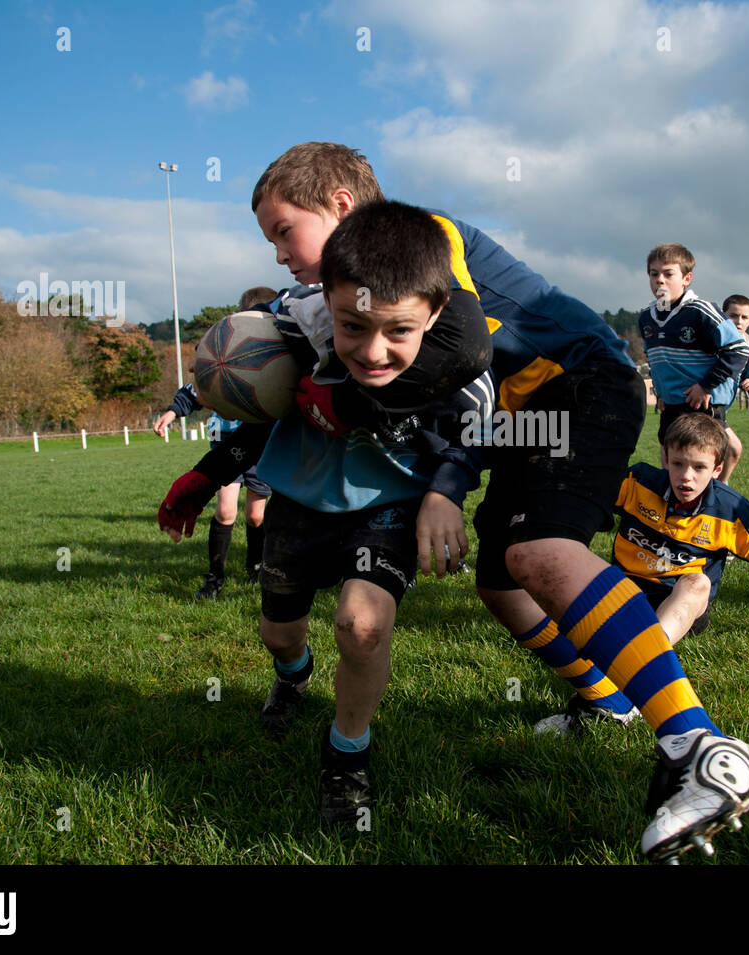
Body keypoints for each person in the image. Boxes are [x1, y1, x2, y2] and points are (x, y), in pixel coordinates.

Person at [193, 142, 749, 862]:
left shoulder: (428, 238)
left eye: (284, 229)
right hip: (515, 414)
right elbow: (458, 394)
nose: (281, 253)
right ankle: (608, 698)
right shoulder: (350, 295)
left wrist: (412, 460)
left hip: (579, 384)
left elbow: (462, 345)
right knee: (501, 581)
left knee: (537, 552)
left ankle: (700, 748)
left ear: (340, 206)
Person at [167, 201, 494, 824]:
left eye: (399, 331)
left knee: (361, 626)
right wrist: (207, 475)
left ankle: (346, 757)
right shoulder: (295, 329)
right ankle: (293, 676)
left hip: (388, 512)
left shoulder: (462, 375)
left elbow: (475, 438)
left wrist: (446, 490)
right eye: (352, 327)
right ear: (327, 300)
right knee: (278, 634)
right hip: (298, 506)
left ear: (437, 313)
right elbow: (267, 413)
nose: (373, 352)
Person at [535, 414, 749, 738]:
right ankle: (625, 677)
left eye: (698, 467)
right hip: (625, 589)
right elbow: (584, 499)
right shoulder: (638, 482)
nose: (686, 476)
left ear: (717, 469)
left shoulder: (732, 510)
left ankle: (628, 676)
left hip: (680, 600)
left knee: (698, 581)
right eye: (678, 464)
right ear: (665, 459)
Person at [153, 286, 277, 597]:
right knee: (225, 511)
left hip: (261, 446)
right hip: (226, 442)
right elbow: (196, 388)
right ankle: (214, 578)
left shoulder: (277, 354)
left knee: (255, 514)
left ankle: (256, 567)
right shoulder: (230, 350)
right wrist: (173, 412)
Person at [639, 244, 749, 451]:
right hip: (671, 404)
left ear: (686, 279)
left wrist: (706, 386)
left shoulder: (701, 311)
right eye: (654, 274)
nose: (660, 280)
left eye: (668, 274)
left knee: (699, 460)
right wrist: (660, 392)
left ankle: (719, 483)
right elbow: (652, 358)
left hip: (702, 403)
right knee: (670, 458)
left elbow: (739, 350)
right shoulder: (646, 317)